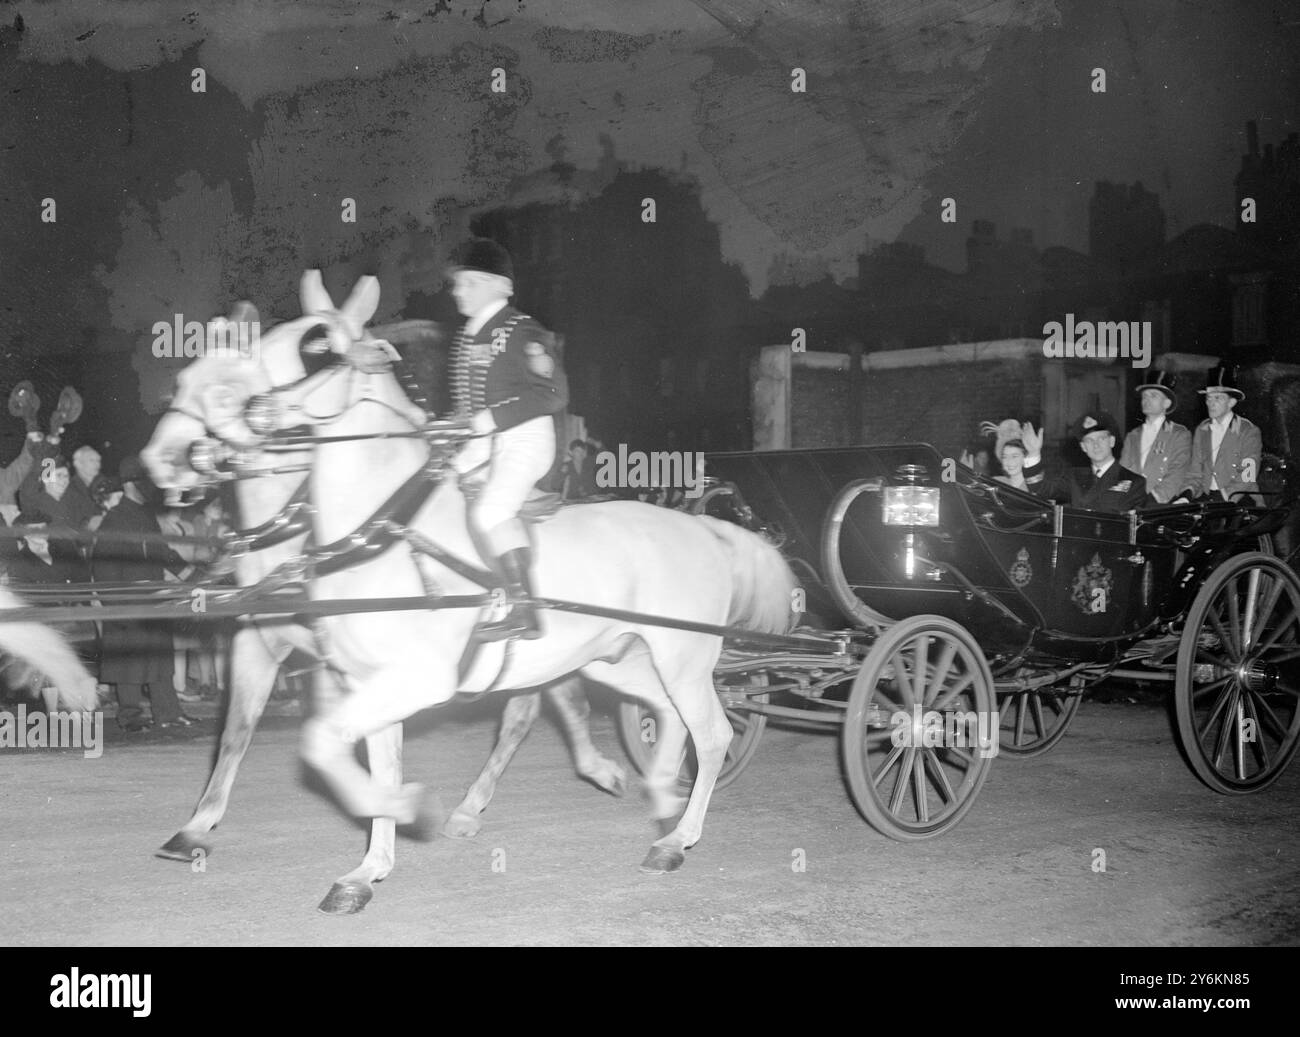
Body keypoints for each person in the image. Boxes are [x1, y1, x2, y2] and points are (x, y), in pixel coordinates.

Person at [445, 238, 568, 641]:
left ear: (500, 286)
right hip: (486, 440)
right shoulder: (471, 336)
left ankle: (524, 609)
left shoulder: (523, 331)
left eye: (469, 283)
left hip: (525, 440)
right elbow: (473, 406)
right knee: (439, 484)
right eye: (458, 284)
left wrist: (489, 419)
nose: (458, 291)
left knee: (490, 512)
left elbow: (552, 394)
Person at [94, 455, 196, 731]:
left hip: (153, 600)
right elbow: (103, 568)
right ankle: (131, 716)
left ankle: (169, 712)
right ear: (129, 485)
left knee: (159, 658)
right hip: (127, 603)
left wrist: (194, 575)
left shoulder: (146, 516)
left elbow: (163, 552)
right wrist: (118, 607)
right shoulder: (113, 522)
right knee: (128, 662)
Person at [1178, 364, 1263, 505]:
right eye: (1208, 398)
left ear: (1231, 402)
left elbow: (1247, 476)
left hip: (1239, 499)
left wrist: (1223, 497)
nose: (1211, 403)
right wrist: (1186, 496)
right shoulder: (1202, 429)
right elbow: (1195, 472)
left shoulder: (1248, 431)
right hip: (1207, 498)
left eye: (1217, 398)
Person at [1041, 412, 1150, 513]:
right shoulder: (1073, 477)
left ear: (1112, 441)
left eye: (1101, 438)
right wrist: (1033, 454)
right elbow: (1043, 490)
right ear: (1083, 447)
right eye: (1089, 440)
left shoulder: (1134, 482)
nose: (1096, 445)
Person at [1118, 370, 1192, 505]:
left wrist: (1153, 499)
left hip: (1160, 503)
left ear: (1166, 403)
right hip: (1132, 502)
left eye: (1153, 395)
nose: (1146, 400)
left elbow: (1177, 473)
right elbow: (1123, 472)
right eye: (1144, 396)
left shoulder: (1179, 434)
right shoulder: (1133, 435)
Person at [62, 445, 107, 528]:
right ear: (78, 464)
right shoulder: (69, 490)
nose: (97, 464)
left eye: (98, 460)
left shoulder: (105, 486)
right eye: (91, 460)